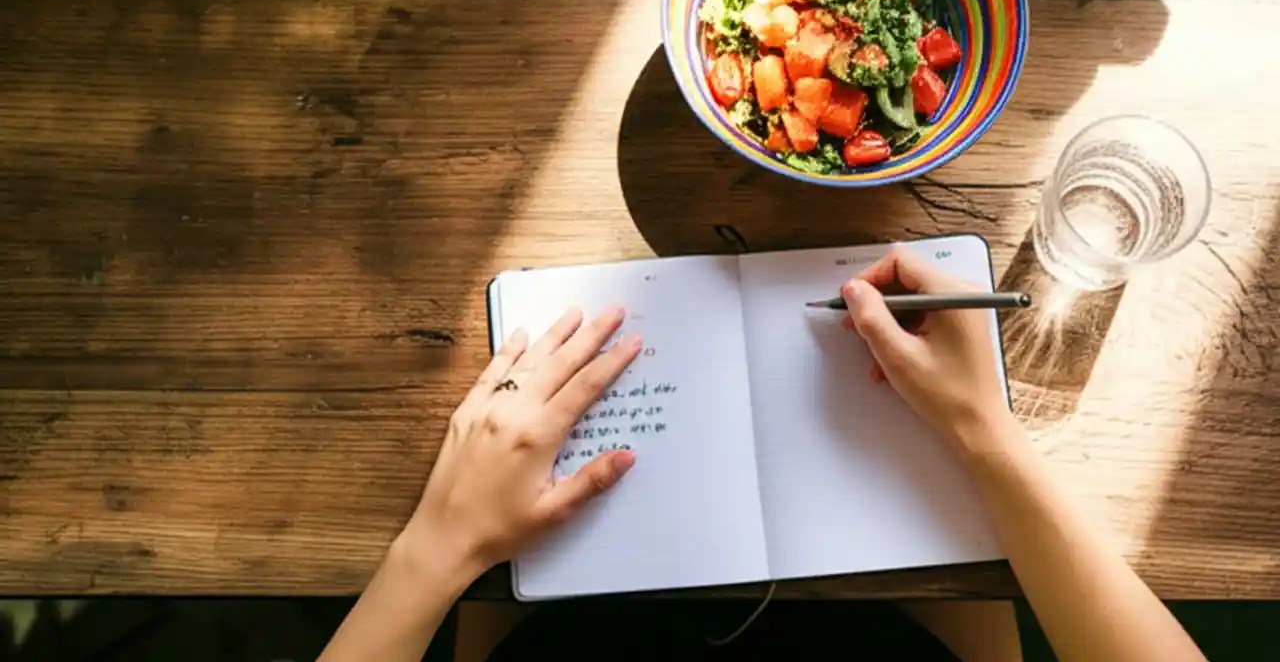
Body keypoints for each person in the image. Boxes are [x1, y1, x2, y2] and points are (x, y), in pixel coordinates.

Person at [318, 250, 1206, 662]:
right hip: (906, 641)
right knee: (956, 549)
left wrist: (444, 542)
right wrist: (986, 432)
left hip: (566, 643)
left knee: (526, 582)